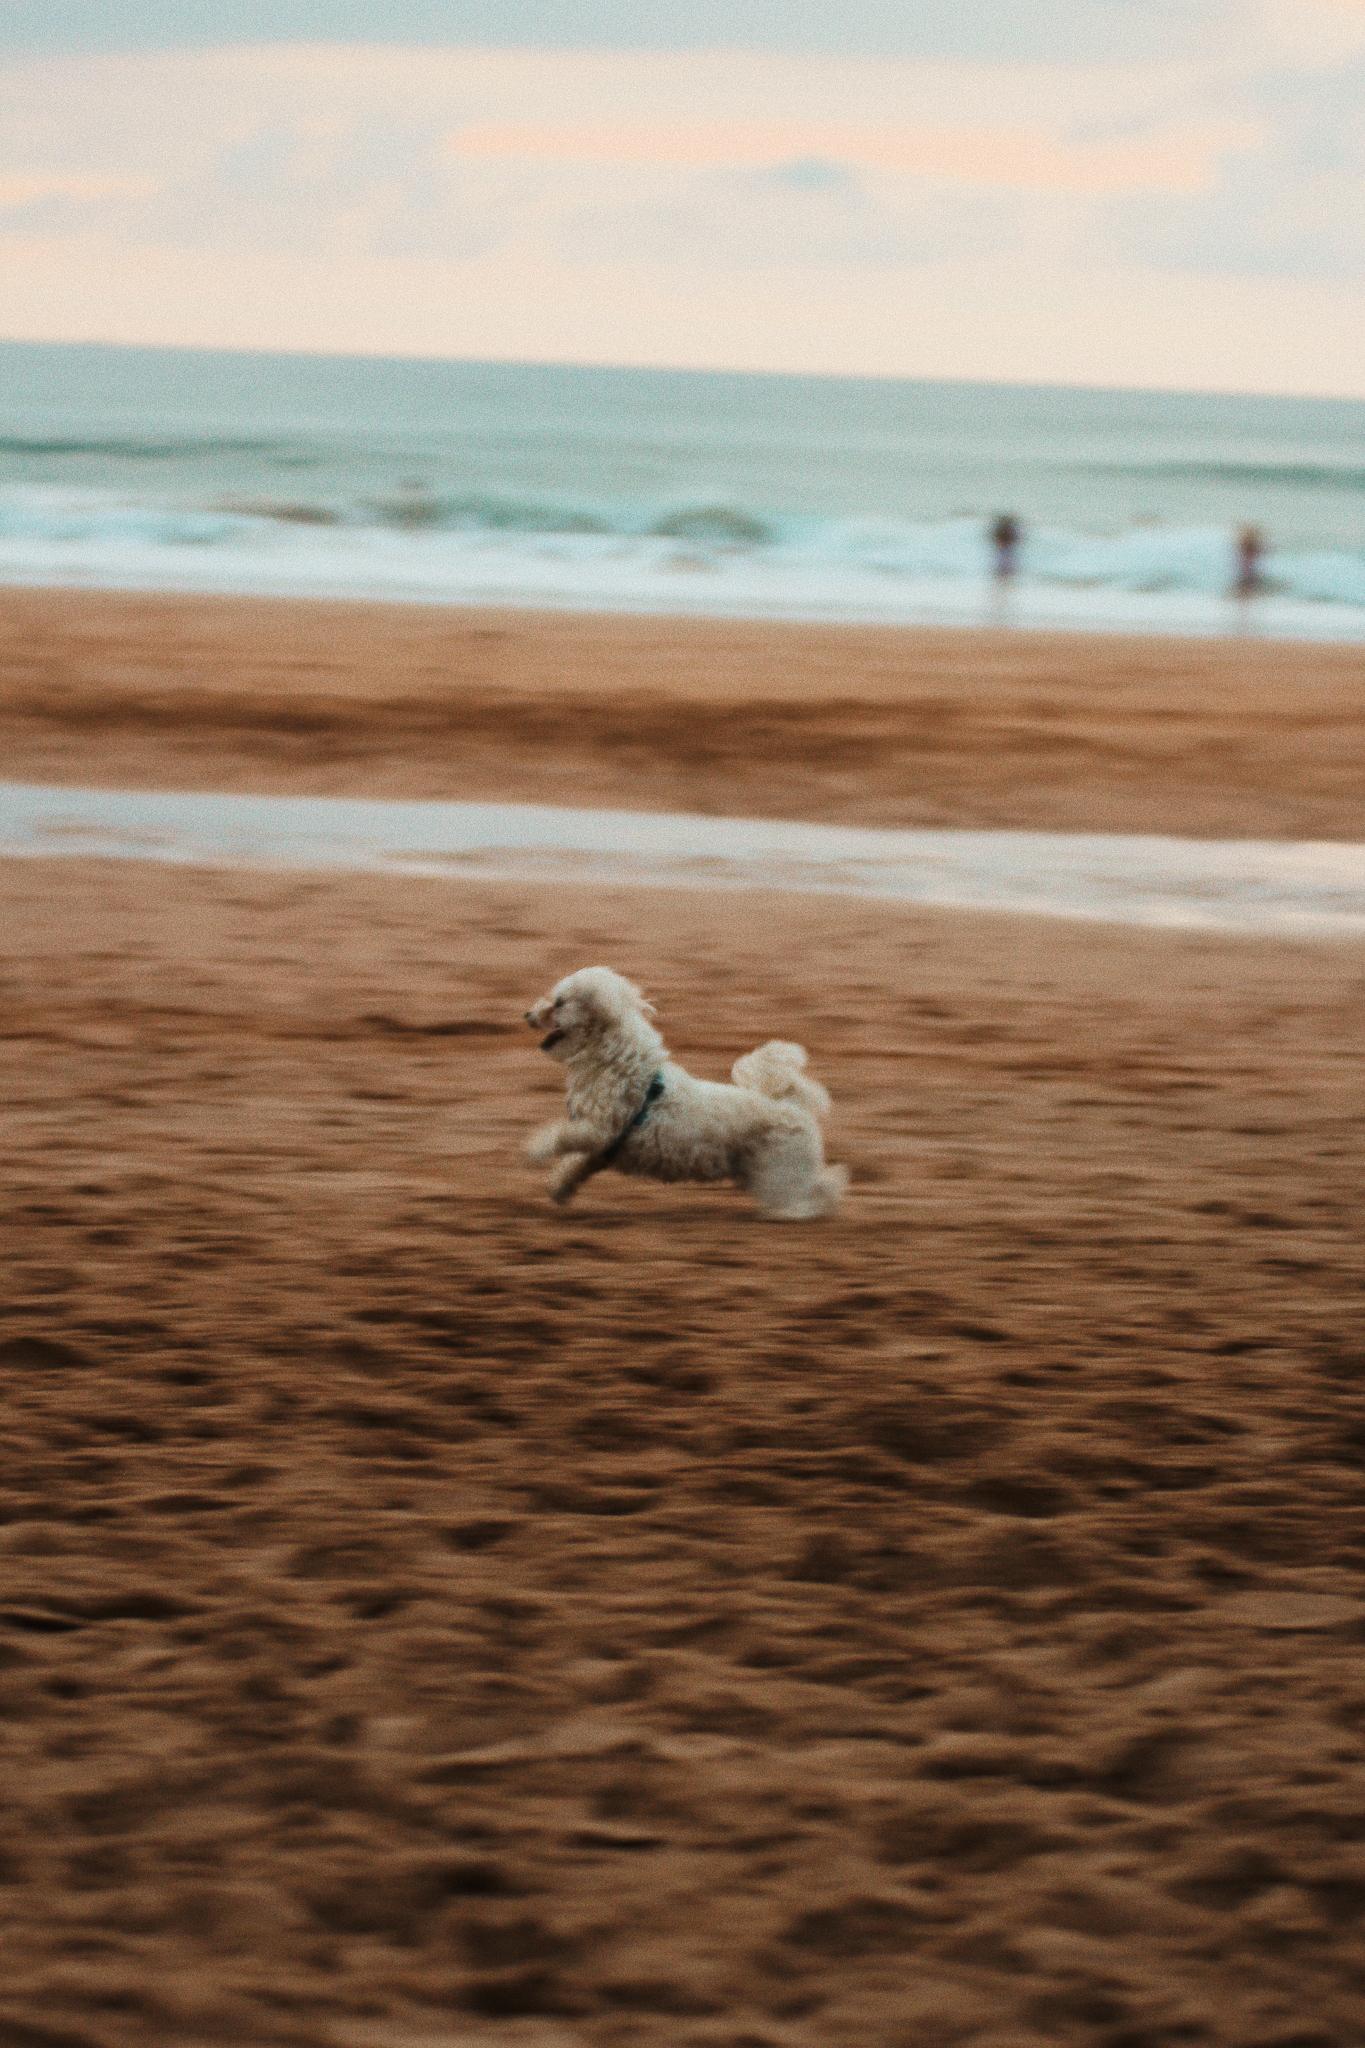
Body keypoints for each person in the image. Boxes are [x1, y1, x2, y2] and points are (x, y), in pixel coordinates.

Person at [1231, 523, 1265, 630]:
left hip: (1246, 574)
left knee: (1244, 598)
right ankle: (1246, 621)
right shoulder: (1250, 546)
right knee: (1247, 597)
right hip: (1248, 574)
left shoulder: (1246, 546)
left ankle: (1244, 621)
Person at [988, 513, 1021, 622]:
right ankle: (1003, 605)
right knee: (1005, 582)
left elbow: (994, 538)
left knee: (1000, 582)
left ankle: (1000, 606)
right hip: (1007, 556)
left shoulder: (1002, 531)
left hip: (1003, 556)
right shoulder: (1009, 531)